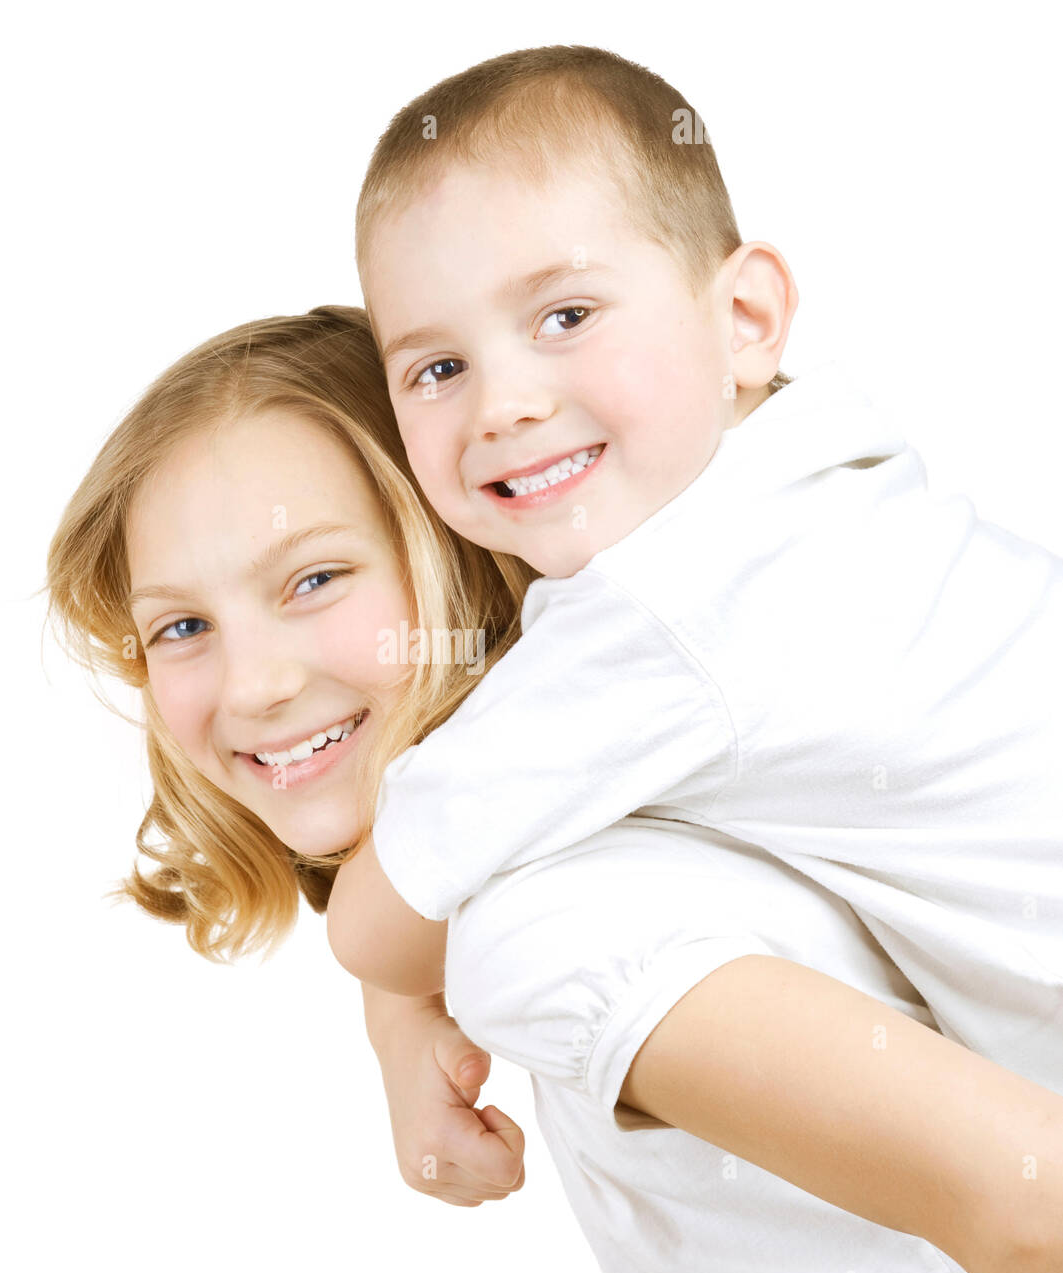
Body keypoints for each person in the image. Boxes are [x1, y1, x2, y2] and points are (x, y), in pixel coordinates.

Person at [45, 306, 1063, 1273]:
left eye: (314, 578)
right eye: (179, 627)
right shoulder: (588, 817)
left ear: (467, 545)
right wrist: (394, 999)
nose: (252, 684)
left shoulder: (540, 923)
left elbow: (1038, 1215)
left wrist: (396, 970)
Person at [326, 47, 1063, 1100]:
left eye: (565, 317)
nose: (501, 405)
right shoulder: (820, 466)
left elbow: (377, 924)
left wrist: (398, 1026)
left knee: (525, 937)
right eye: (438, 369)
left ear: (743, 318)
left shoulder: (664, 605)